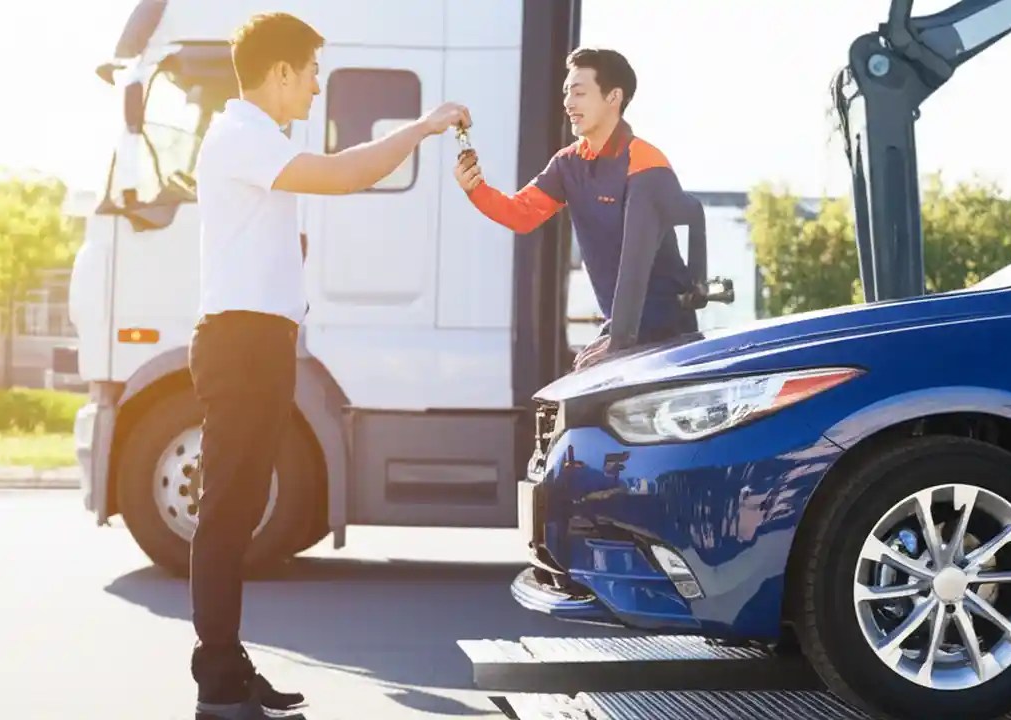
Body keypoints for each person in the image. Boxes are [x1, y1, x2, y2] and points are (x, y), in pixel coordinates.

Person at [189, 12, 469, 719]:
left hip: (262, 342)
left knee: (243, 509)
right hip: (241, 345)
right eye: (312, 72)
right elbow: (344, 176)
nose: (317, 86)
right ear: (280, 72)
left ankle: (226, 660)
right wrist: (422, 126)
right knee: (227, 513)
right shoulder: (240, 135)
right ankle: (215, 676)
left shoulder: (259, 139)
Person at [454, 47, 697, 369]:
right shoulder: (568, 163)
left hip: (667, 334)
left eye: (579, 93)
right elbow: (521, 215)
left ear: (613, 97)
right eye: (567, 92)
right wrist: (476, 189)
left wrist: (619, 338)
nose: (568, 103)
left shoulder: (645, 163)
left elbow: (635, 262)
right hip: (623, 328)